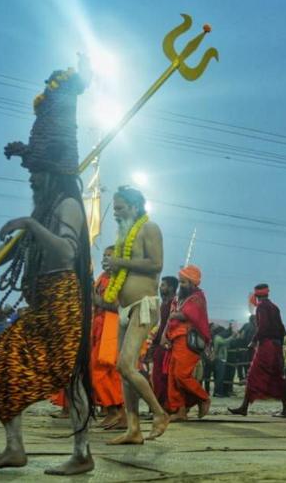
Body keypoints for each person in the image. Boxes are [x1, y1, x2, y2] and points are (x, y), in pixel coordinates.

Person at [0, 63, 95, 475]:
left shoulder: (67, 206)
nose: (33, 185)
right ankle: (15, 447)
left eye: (37, 179)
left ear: (52, 175)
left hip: (64, 305)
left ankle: (82, 454)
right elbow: (12, 246)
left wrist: (31, 223)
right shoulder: (44, 207)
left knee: (70, 379)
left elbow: (67, 254)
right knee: (0, 360)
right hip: (40, 306)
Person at [102, 186, 169, 444]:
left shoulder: (149, 228)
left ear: (134, 207)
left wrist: (121, 263)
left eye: (120, 208)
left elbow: (156, 264)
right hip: (124, 308)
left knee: (125, 364)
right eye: (115, 209)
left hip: (144, 304)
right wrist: (114, 266)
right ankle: (133, 429)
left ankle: (159, 413)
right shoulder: (124, 235)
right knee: (124, 370)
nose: (115, 214)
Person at [229, 284, 286, 416]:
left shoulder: (261, 307)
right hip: (276, 346)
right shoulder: (274, 307)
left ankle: (244, 407)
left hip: (266, 346)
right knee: (277, 376)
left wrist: (254, 340)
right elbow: (281, 328)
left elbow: (263, 327)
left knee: (253, 375)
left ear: (256, 296)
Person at [164, 265, 212, 422]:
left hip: (187, 340)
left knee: (181, 375)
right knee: (172, 377)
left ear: (192, 283)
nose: (181, 285)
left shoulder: (197, 297)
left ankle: (203, 398)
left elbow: (191, 315)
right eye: (180, 282)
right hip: (175, 339)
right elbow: (172, 316)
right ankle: (180, 410)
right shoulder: (180, 298)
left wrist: (175, 315)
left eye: (184, 282)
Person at [92, 247, 125, 430]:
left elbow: (119, 307)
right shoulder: (102, 277)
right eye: (104, 256)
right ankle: (115, 413)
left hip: (111, 332)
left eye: (109, 256)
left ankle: (118, 412)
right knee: (98, 372)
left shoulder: (121, 279)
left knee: (103, 372)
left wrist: (98, 301)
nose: (105, 259)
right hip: (98, 330)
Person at [149, 276, 178, 406]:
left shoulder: (173, 303)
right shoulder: (164, 303)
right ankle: (159, 404)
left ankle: (163, 404)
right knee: (157, 376)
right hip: (159, 343)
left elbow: (168, 325)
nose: (161, 287)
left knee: (162, 376)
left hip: (166, 344)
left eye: (164, 285)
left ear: (171, 288)